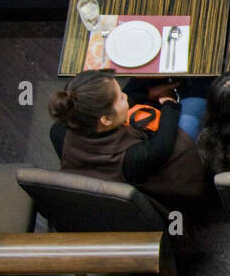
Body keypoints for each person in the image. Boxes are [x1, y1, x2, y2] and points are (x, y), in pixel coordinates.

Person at [49, 70, 206, 202]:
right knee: (198, 95)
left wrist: (146, 93)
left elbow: (122, 104)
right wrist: (169, 103)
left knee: (142, 79)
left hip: (128, 160)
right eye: (121, 98)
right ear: (106, 119)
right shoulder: (131, 158)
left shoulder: (60, 130)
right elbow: (162, 147)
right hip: (158, 176)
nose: (125, 96)